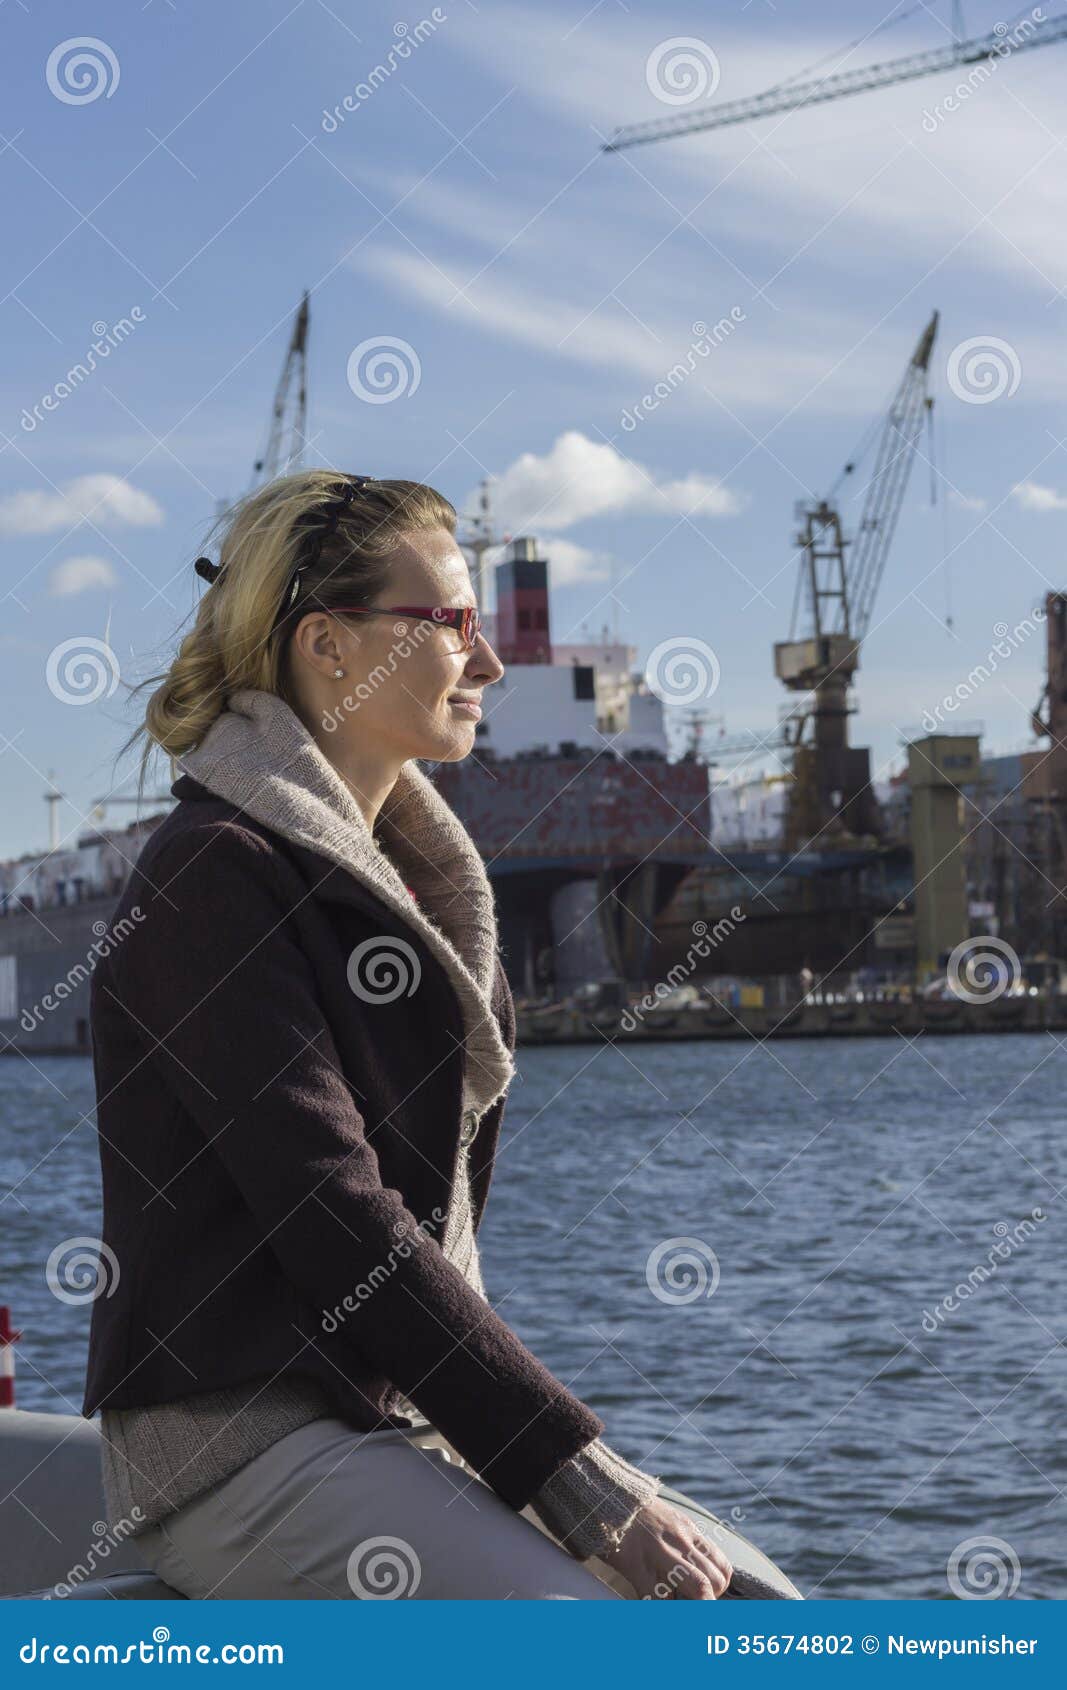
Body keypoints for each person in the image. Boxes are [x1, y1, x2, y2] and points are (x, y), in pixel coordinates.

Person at [82, 469, 734, 1601]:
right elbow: (336, 1212)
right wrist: (575, 1483)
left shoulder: (433, 897)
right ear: (329, 646)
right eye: (452, 626)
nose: (485, 664)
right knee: (596, 1630)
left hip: (387, 1418)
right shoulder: (211, 876)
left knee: (741, 1598)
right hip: (242, 1445)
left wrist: (569, 1475)